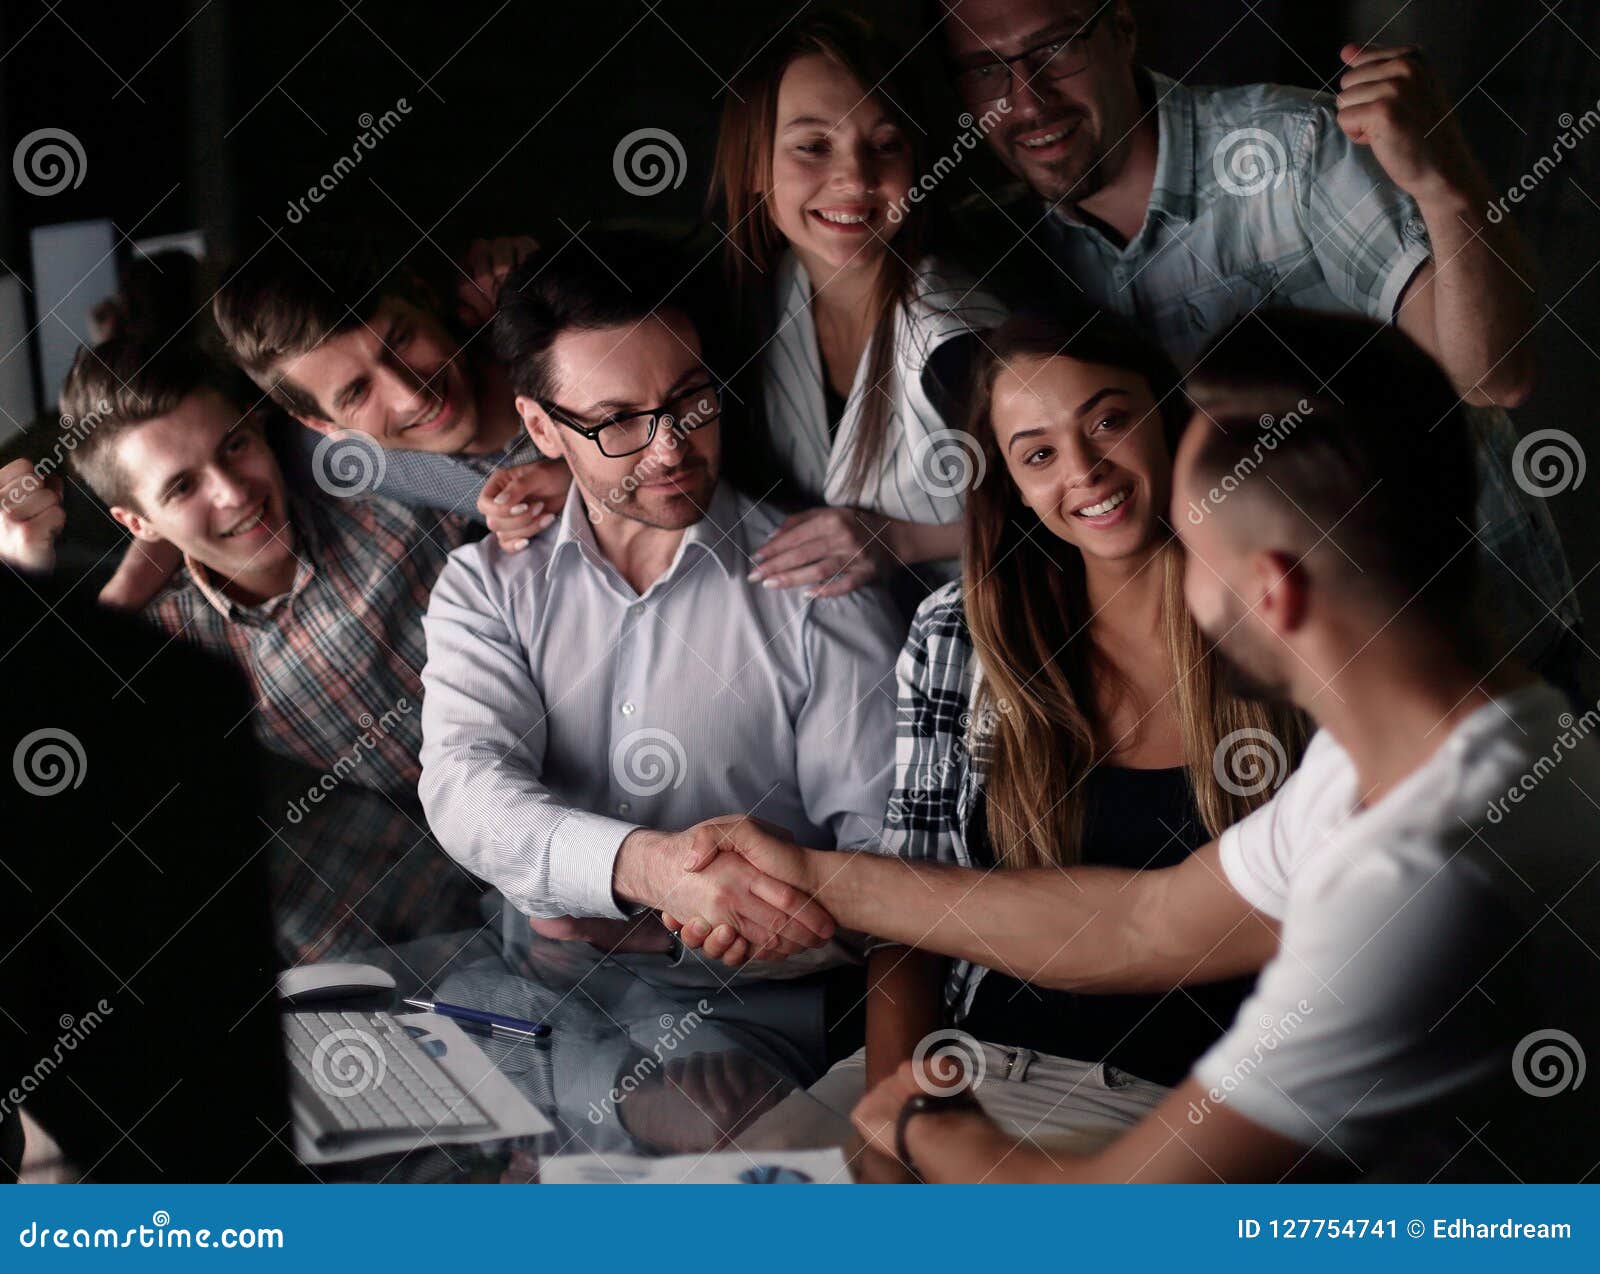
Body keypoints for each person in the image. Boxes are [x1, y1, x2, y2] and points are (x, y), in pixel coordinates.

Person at [672, 310, 1600, 1183]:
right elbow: (1142, 924)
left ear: (1268, 594)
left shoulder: (1416, 873)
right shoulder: (1439, 756)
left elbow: (1113, 1219)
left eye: (1193, 547)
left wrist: (921, 1124)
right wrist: (807, 870)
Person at [931, 0, 1584, 703]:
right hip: (1282, 704)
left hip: (1473, 653)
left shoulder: (1293, 146)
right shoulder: (995, 245)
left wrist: (1442, 178)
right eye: (986, 69)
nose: (1026, 99)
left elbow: (1492, 375)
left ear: (1123, 26)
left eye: (1055, 49)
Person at [828, 309, 1305, 1134]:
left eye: (1110, 422)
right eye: (1039, 453)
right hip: (959, 1070)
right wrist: (890, 1115)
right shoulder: (959, 633)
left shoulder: (1280, 614)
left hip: (1183, 1111)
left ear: (1170, 422)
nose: (1083, 470)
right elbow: (910, 919)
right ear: (1009, 485)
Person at [418, 239, 901, 1018]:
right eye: (617, 423)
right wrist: (652, 872)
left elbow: (895, 868)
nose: (671, 447)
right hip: (525, 996)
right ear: (541, 429)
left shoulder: (819, 587)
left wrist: (698, 933)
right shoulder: (486, 588)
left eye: (690, 401)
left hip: (752, 1019)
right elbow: (466, 788)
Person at [45, 337, 485, 957]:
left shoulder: (366, 481)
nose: (233, 493)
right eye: (180, 487)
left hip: (571, 781)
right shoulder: (170, 638)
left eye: (234, 447)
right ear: (137, 524)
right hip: (418, 869)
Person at [710, 10, 1007, 600]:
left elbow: (1068, 515)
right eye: (814, 146)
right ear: (752, 168)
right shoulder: (752, 298)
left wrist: (900, 540)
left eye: (884, 145)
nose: (855, 179)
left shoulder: (958, 340)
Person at [214, 234, 569, 549]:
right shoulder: (332, 457)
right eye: (357, 393)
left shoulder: (551, 327)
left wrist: (580, 480)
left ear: (425, 299)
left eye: (400, 340)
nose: (411, 396)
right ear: (324, 425)